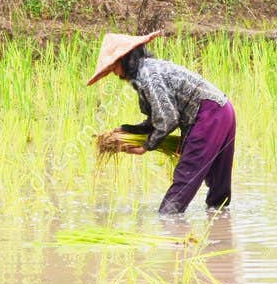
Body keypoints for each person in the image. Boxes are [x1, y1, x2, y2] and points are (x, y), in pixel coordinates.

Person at [88, 30, 236, 215]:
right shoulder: (149, 70)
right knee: (218, 185)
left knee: (187, 175)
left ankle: (169, 219)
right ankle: (221, 222)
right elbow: (157, 118)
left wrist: (146, 146)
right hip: (224, 110)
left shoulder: (148, 75)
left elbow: (167, 119)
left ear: (125, 59)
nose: (114, 72)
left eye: (114, 66)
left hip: (209, 116)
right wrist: (128, 130)